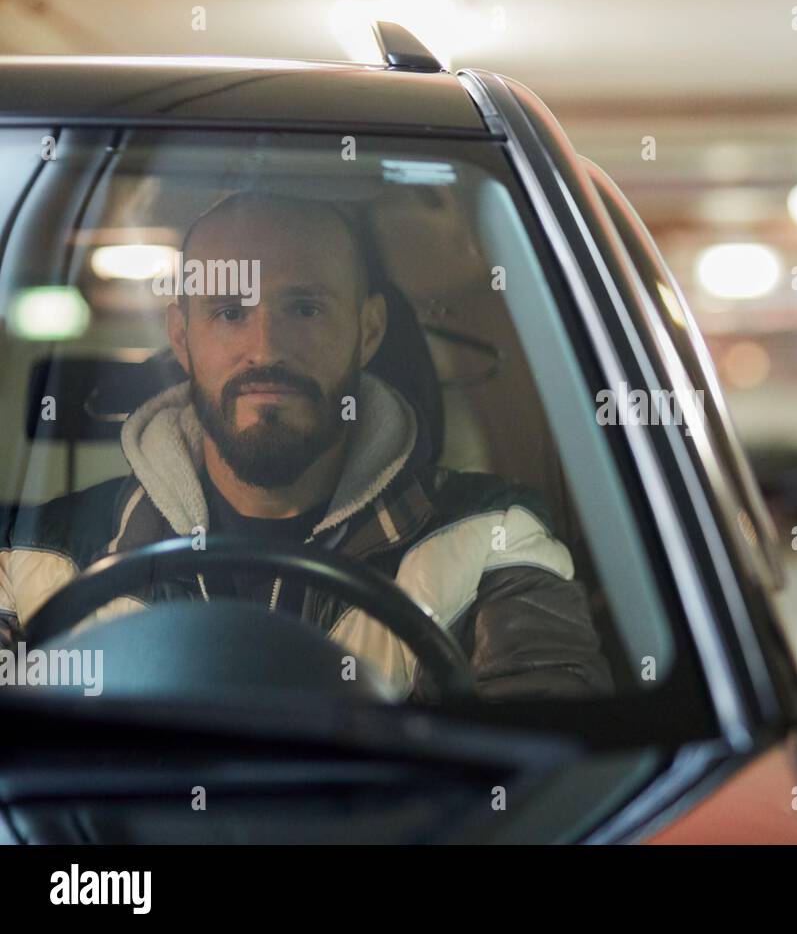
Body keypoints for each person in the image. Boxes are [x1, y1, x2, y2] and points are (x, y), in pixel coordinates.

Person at [0, 192, 613, 701]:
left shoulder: (491, 540)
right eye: (231, 312)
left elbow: (544, 777)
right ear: (182, 337)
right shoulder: (28, 559)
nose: (266, 350)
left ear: (369, 331)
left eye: (305, 308)